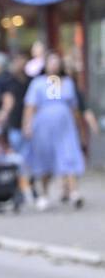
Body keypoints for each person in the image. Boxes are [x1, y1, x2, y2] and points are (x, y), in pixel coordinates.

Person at [22, 51, 86, 210]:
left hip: (64, 127)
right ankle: (43, 194)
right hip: (44, 127)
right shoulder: (37, 83)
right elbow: (30, 107)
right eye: (51, 62)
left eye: (57, 62)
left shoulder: (68, 82)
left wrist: (79, 126)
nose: (54, 65)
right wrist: (27, 125)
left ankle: (73, 192)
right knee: (45, 160)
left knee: (68, 156)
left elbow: (74, 108)